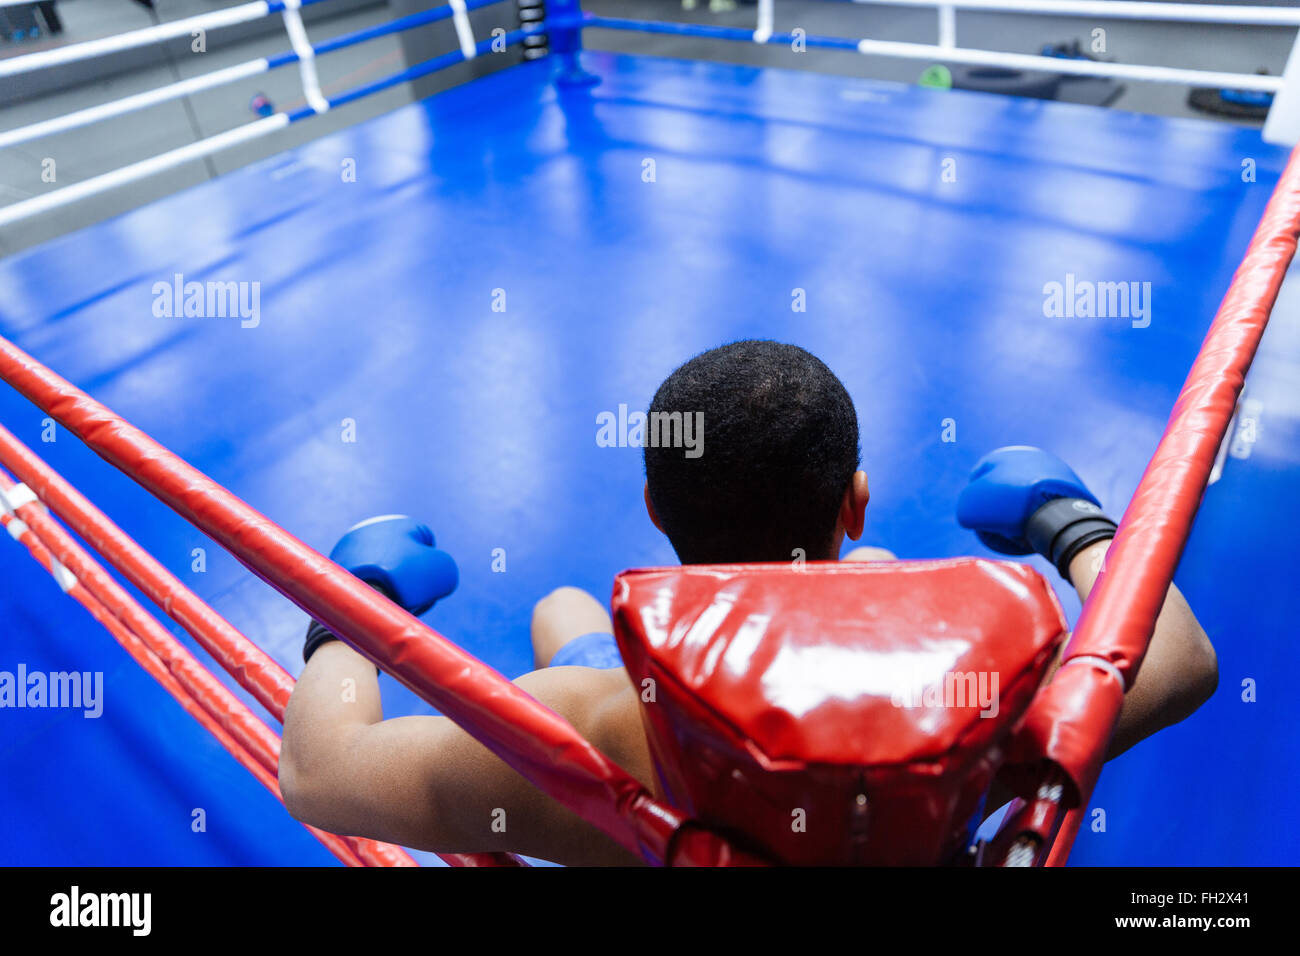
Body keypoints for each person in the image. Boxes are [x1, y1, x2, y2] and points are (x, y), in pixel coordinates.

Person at [280, 340, 1217, 865]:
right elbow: (1174, 659)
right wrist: (1072, 525)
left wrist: (349, 616)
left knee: (564, 612)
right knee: (886, 567)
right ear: (852, 501)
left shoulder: (590, 724)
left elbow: (324, 772)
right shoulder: (979, 687)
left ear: (655, 511)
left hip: (651, 741)